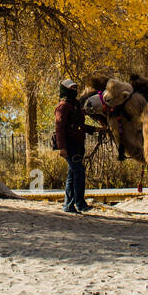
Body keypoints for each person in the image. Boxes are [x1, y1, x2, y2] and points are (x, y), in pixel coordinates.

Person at [54, 79, 92, 214]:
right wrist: (62, 147)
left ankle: (68, 205)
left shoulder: (75, 106)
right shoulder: (63, 107)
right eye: (72, 88)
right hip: (69, 145)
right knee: (79, 171)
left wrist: (95, 130)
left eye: (76, 88)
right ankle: (80, 203)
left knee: (72, 174)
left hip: (78, 144)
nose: (74, 90)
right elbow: (59, 128)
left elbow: (80, 126)